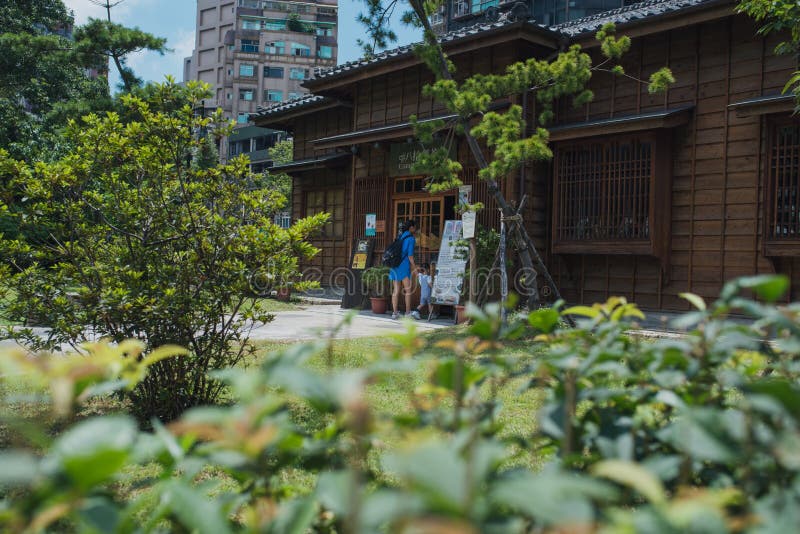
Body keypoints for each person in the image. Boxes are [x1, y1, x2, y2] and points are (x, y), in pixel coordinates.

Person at [389, 220, 420, 320]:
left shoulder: (399, 236)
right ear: (411, 228)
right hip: (403, 266)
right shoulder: (411, 239)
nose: (415, 229)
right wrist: (415, 269)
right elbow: (410, 256)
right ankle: (407, 312)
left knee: (396, 290)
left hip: (394, 265)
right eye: (414, 227)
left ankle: (394, 313)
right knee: (408, 290)